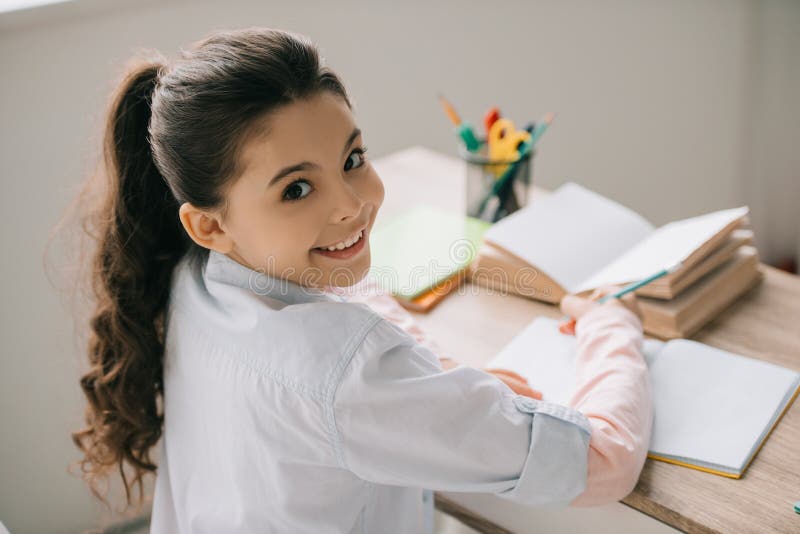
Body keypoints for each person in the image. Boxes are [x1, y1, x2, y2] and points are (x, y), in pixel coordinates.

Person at [70, 26, 652, 533]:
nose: (351, 205)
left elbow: (348, 324)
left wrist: (439, 378)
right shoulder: (349, 377)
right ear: (209, 225)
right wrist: (612, 325)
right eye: (297, 189)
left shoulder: (192, 276)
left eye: (352, 159)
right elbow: (602, 461)